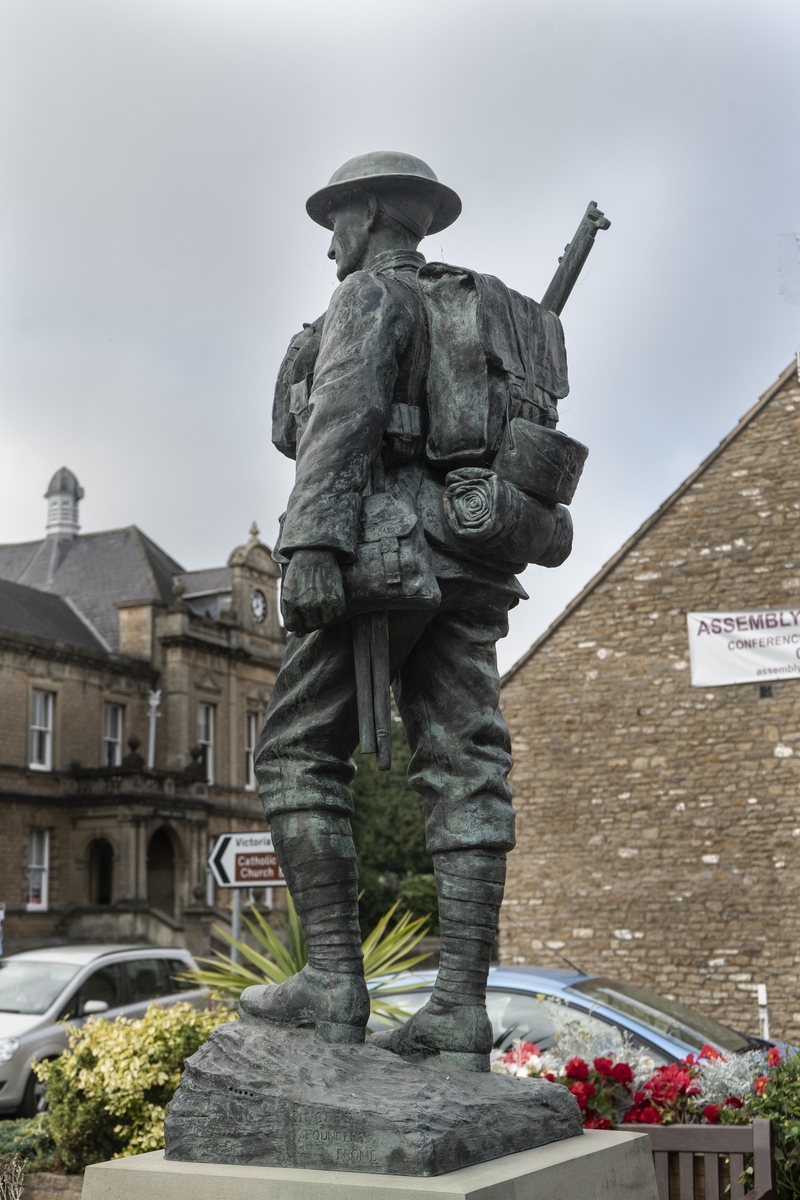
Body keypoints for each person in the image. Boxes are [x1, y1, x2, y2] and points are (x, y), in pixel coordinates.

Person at [240, 152, 575, 1072]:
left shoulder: (370, 296)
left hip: (383, 547)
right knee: (469, 761)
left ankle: (335, 982)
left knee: (295, 751)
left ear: (376, 212)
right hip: (477, 550)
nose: (331, 241)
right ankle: (460, 1007)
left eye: (338, 219)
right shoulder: (491, 308)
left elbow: (336, 416)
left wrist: (313, 542)